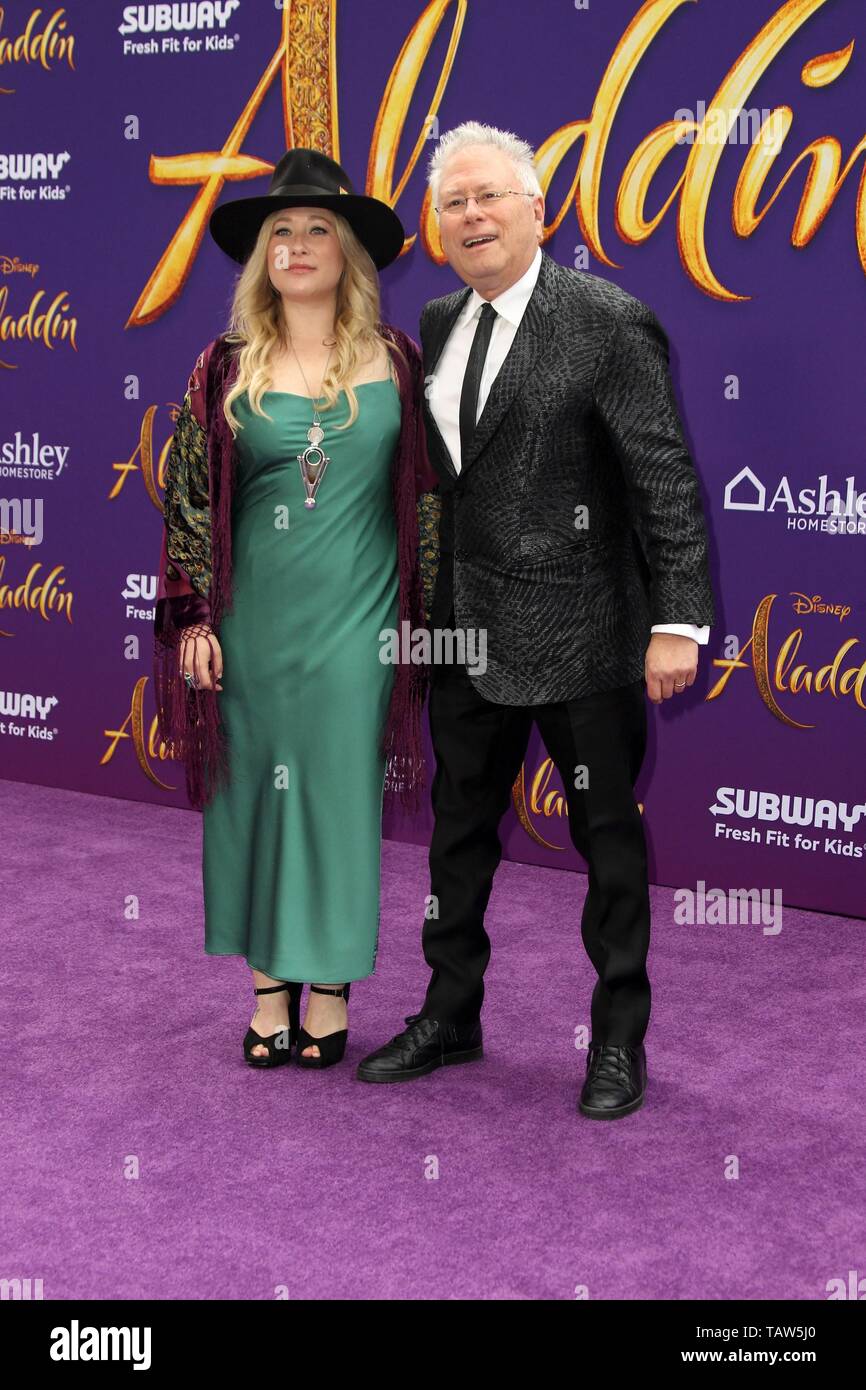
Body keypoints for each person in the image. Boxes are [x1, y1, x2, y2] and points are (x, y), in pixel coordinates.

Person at [356, 122, 716, 1119]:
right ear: (437, 229)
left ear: (535, 211)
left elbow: (662, 479)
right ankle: (450, 1013)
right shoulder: (433, 321)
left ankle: (614, 1040)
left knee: (606, 840)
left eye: (487, 198)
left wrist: (677, 620)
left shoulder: (607, 320)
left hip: (586, 637)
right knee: (456, 835)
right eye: (452, 205)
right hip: (463, 631)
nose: (470, 216)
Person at [153, 149, 438, 1071]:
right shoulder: (224, 364)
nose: (300, 244)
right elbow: (191, 498)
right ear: (261, 256)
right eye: (282, 231)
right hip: (253, 628)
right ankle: (268, 989)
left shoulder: (396, 361)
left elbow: (429, 499)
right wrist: (194, 618)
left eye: (319, 228)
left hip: (361, 623)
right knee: (251, 802)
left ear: (350, 251)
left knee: (336, 799)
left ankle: (331, 987)